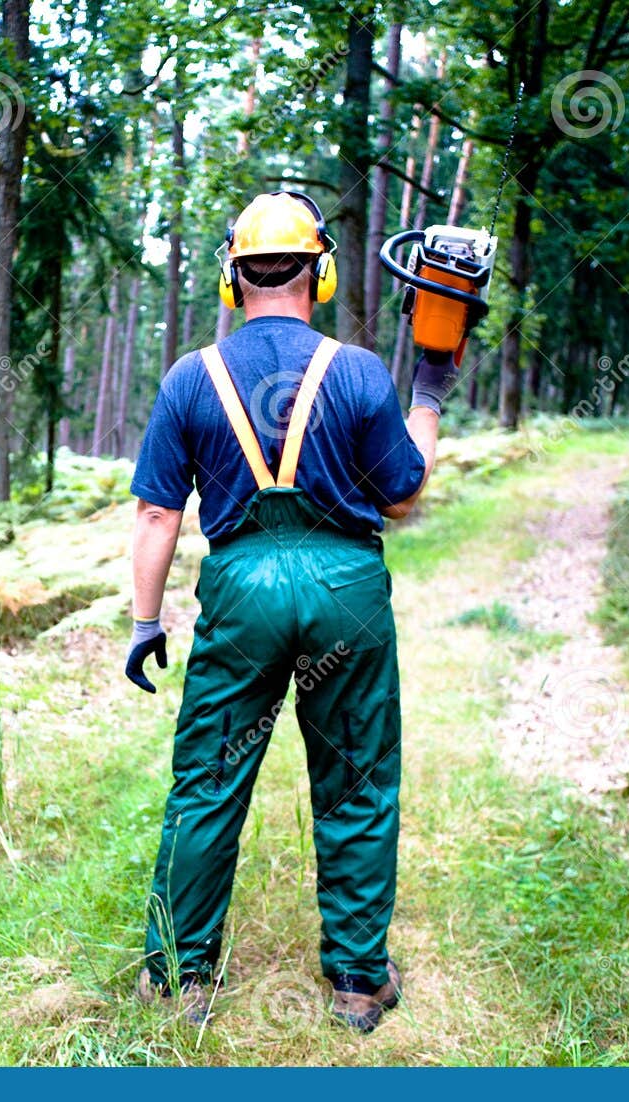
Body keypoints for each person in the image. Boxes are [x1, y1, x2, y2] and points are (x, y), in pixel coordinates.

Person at [124, 190, 457, 1033]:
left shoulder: (189, 377)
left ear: (232, 280)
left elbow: (159, 513)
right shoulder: (357, 371)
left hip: (242, 591)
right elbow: (407, 494)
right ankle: (356, 983)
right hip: (346, 589)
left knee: (206, 783)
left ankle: (178, 977)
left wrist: (145, 620)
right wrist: (430, 386)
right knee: (356, 783)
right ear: (324, 273)